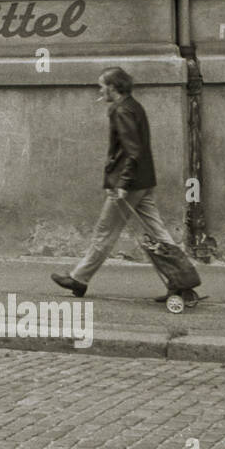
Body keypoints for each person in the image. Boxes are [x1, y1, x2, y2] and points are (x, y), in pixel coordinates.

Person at [52, 67, 195, 304]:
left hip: (129, 184)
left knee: (104, 232)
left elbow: (133, 150)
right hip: (142, 182)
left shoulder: (121, 110)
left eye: (102, 86)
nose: (100, 90)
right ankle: (183, 284)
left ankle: (79, 278)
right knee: (158, 233)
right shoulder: (134, 106)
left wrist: (123, 182)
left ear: (112, 87)